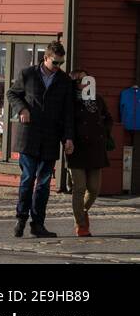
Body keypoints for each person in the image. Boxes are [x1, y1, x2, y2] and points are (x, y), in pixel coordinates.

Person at [8, 40, 75, 238]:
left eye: (61, 63)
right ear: (45, 58)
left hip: (50, 139)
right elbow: (11, 94)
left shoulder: (63, 81)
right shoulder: (27, 74)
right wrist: (22, 108)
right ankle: (21, 218)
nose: (57, 67)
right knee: (28, 178)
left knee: (44, 183)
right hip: (28, 137)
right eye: (55, 62)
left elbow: (67, 113)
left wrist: (68, 138)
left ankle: (38, 224)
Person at [66, 69, 112, 237]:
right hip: (76, 149)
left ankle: (82, 211)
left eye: (85, 79)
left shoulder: (97, 99)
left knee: (94, 189)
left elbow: (108, 117)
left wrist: (103, 131)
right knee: (79, 187)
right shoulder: (69, 101)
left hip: (95, 149)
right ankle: (81, 224)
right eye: (78, 80)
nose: (83, 83)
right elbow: (65, 123)